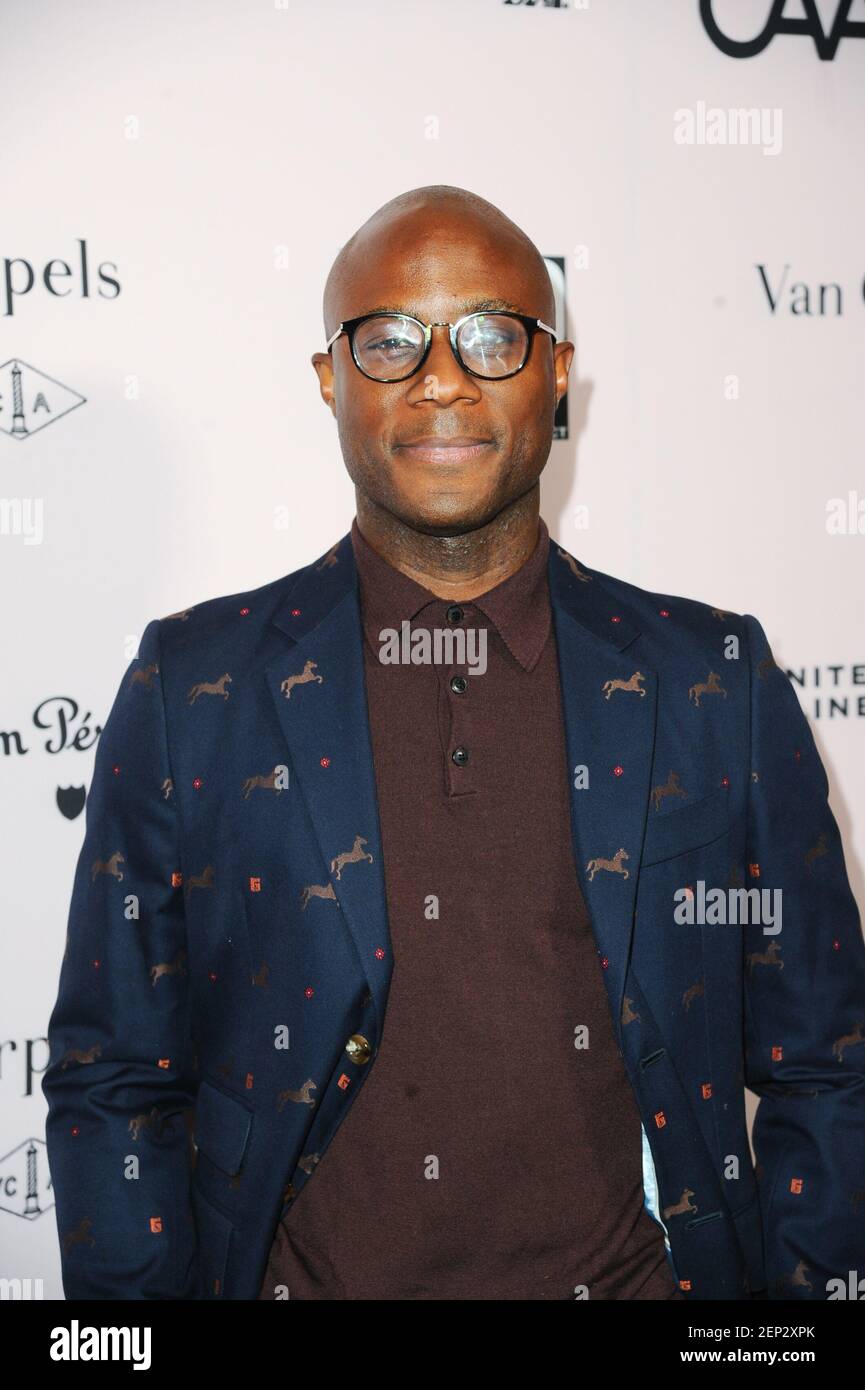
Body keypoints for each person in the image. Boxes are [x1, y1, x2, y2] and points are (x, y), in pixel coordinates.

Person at [43, 185, 865, 1301]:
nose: (441, 378)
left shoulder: (711, 678)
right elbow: (117, 1077)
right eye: (388, 341)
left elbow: (825, 1063)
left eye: (491, 336)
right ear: (329, 379)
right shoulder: (195, 686)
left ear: (557, 371)